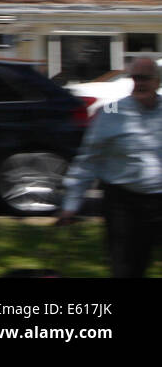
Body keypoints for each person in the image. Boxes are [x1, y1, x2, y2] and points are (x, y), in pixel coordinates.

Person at [56, 56, 162, 277]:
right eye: (135, 78)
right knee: (125, 268)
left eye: (145, 78)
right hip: (123, 204)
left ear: (157, 82)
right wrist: (71, 203)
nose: (139, 83)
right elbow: (89, 157)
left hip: (158, 201)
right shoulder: (113, 111)